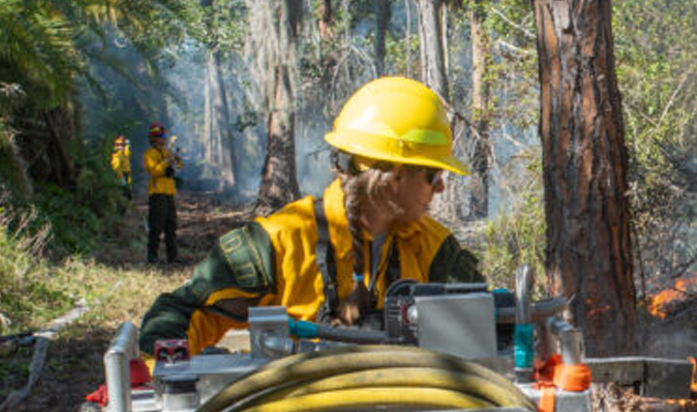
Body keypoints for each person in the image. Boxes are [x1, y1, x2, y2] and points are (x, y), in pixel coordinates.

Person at [139, 77, 480, 355]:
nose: (441, 188)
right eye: (433, 176)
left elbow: (484, 324)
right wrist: (170, 371)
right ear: (395, 178)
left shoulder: (435, 249)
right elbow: (178, 314)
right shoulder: (282, 242)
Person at [144, 123, 181, 264]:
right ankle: (152, 256)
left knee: (171, 226)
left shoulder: (167, 151)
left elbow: (178, 167)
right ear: (154, 138)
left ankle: (173, 257)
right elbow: (154, 171)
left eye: (164, 136)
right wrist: (166, 161)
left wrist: (176, 158)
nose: (164, 139)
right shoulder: (150, 154)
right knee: (156, 226)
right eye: (161, 136)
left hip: (169, 192)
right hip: (157, 193)